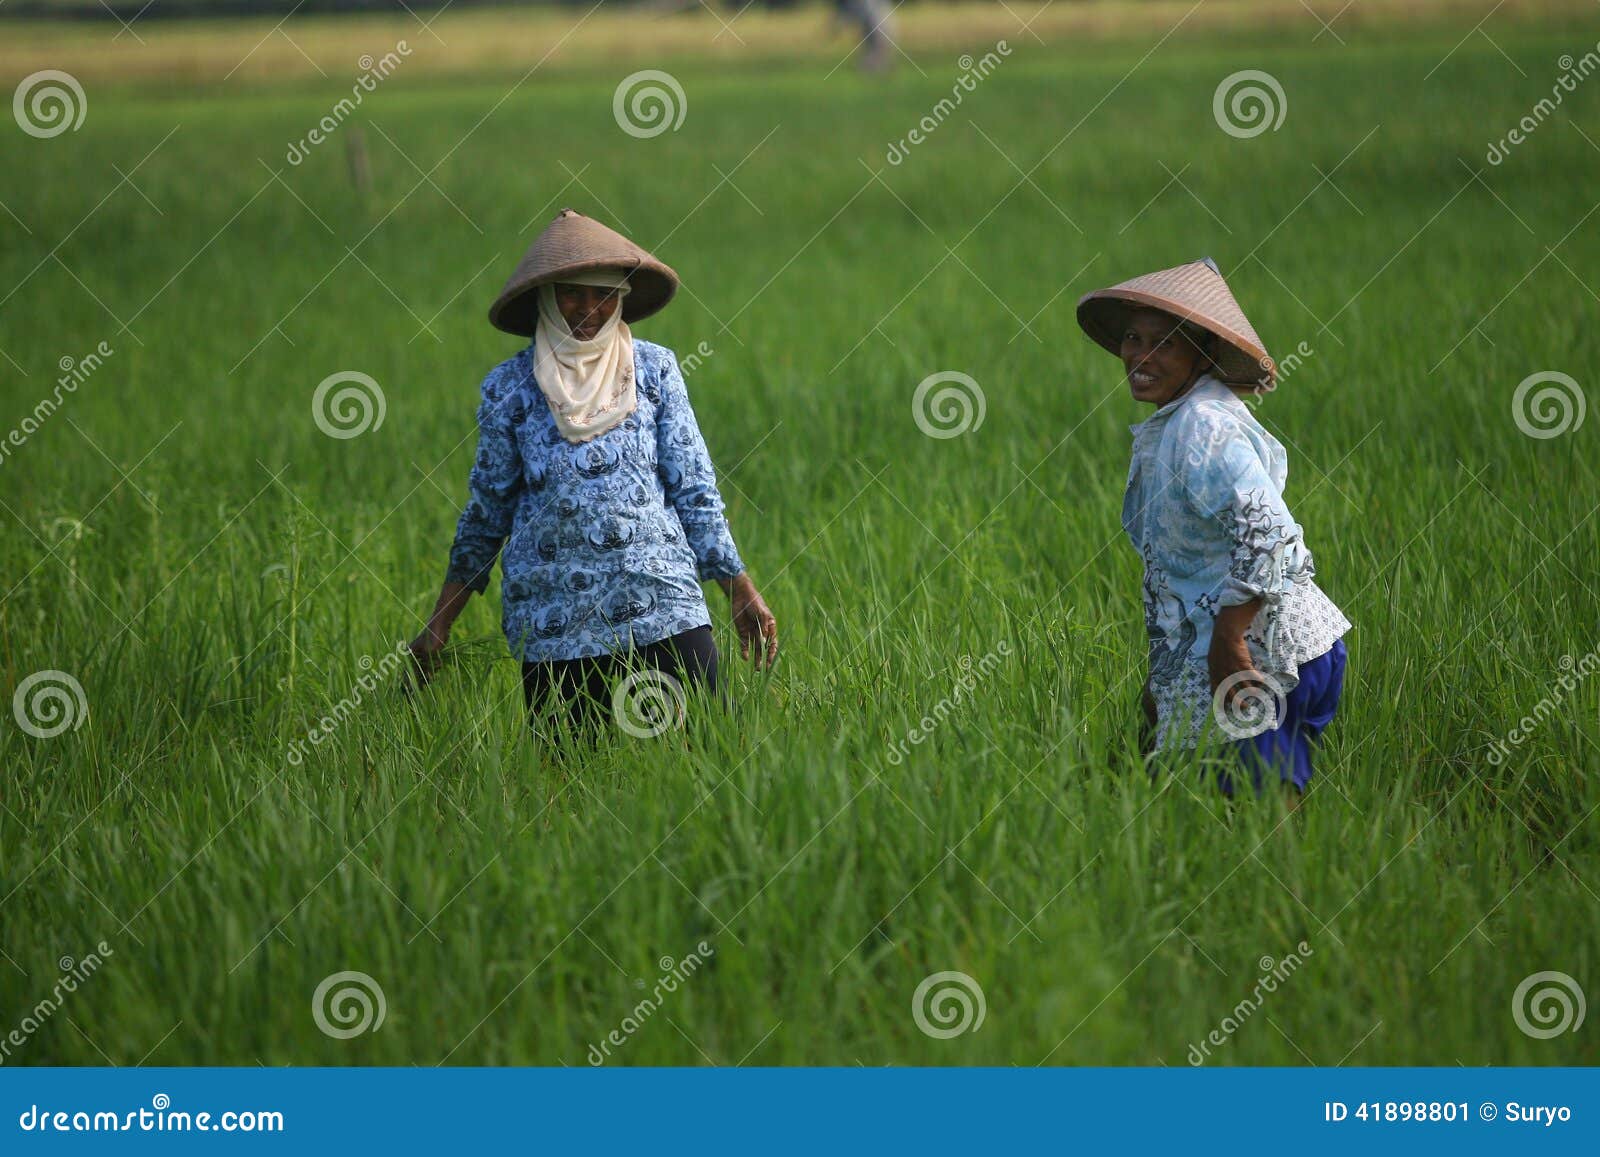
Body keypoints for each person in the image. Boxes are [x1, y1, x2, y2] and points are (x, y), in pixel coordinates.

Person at [409, 209, 777, 740]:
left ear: (622, 298)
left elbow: (694, 487)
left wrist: (738, 586)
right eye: (572, 294)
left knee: (712, 749)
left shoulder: (654, 371)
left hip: (663, 600)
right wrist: (440, 624)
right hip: (556, 619)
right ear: (546, 298)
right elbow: (487, 513)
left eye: (604, 294)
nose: (589, 309)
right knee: (569, 782)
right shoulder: (509, 389)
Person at [1075, 257, 1350, 798]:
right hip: (1252, 645)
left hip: (1264, 650)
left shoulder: (1202, 427)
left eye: (1165, 343)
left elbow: (1270, 532)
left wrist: (1229, 639)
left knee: (1262, 808)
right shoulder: (1184, 417)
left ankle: (1296, 885)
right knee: (1198, 798)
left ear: (1201, 354)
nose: (1141, 354)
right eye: (1133, 337)